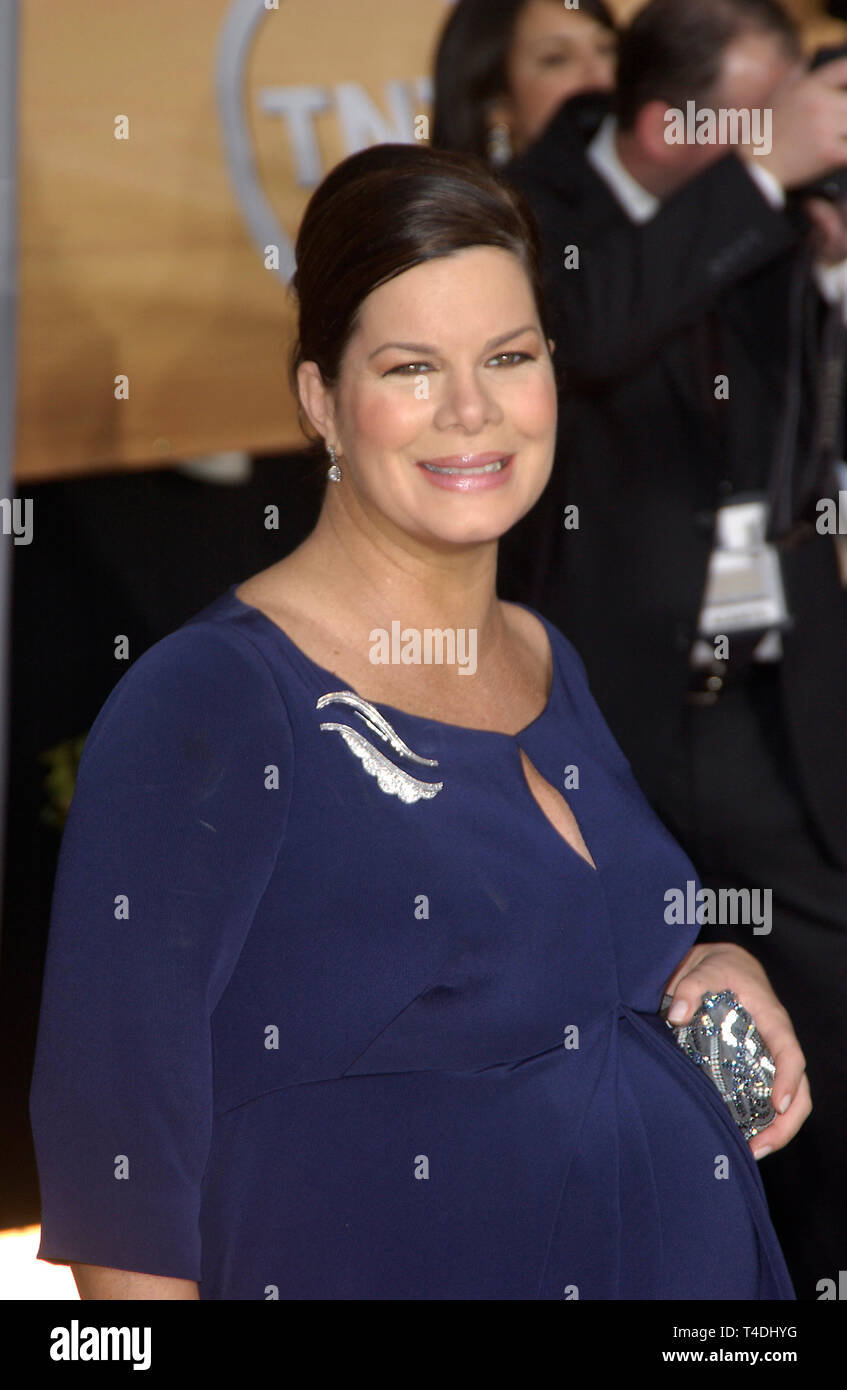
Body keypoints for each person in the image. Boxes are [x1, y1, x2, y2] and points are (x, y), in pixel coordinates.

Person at [29, 142, 808, 1301]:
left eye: (508, 353)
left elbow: (564, 964)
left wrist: (705, 964)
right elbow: (116, 1181)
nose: (470, 410)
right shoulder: (215, 700)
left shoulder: (550, 657)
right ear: (319, 402)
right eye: (409, 366)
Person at [497, 0, 847, 1298]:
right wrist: (761, 174)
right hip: (611, 711)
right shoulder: (536, 203)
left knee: (817, 1002)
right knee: (626, 1015)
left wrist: (822, 261)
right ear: (672, 119)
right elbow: (589, 332)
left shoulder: (757, 211)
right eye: (756, 114)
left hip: (772, 704)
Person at [432, 0, 617, 167]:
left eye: (607, 49)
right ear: (495, 103)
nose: (602, 78)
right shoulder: (488, 203)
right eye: (556, 59)